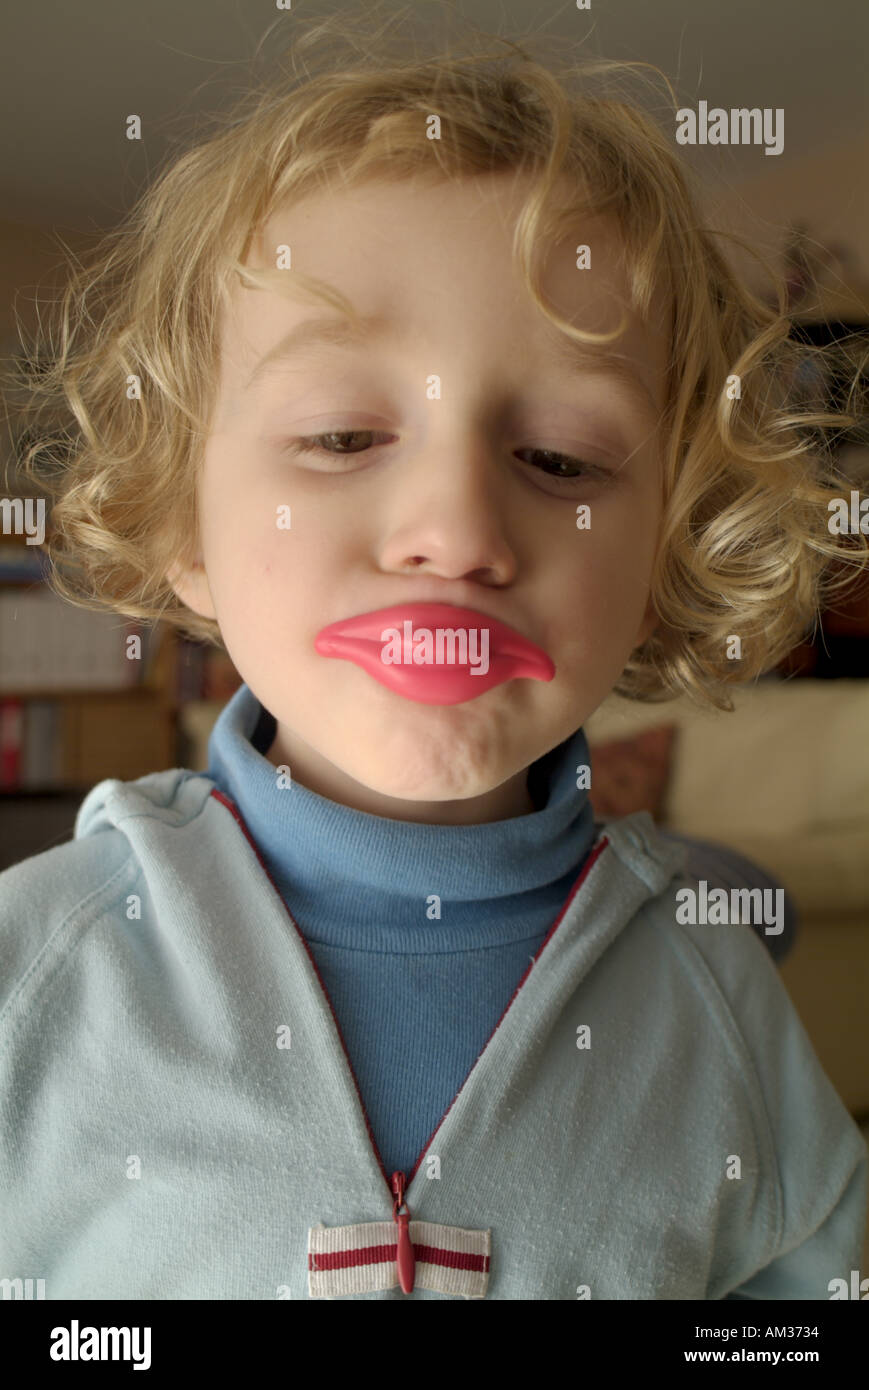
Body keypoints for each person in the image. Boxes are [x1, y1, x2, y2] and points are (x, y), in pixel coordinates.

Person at [1, 6, 866, 1300]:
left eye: (561, 459)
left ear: (657, 558)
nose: (457, 531)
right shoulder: (36, 973)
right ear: (184, 522)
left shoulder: (711, 982)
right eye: (343, 436)